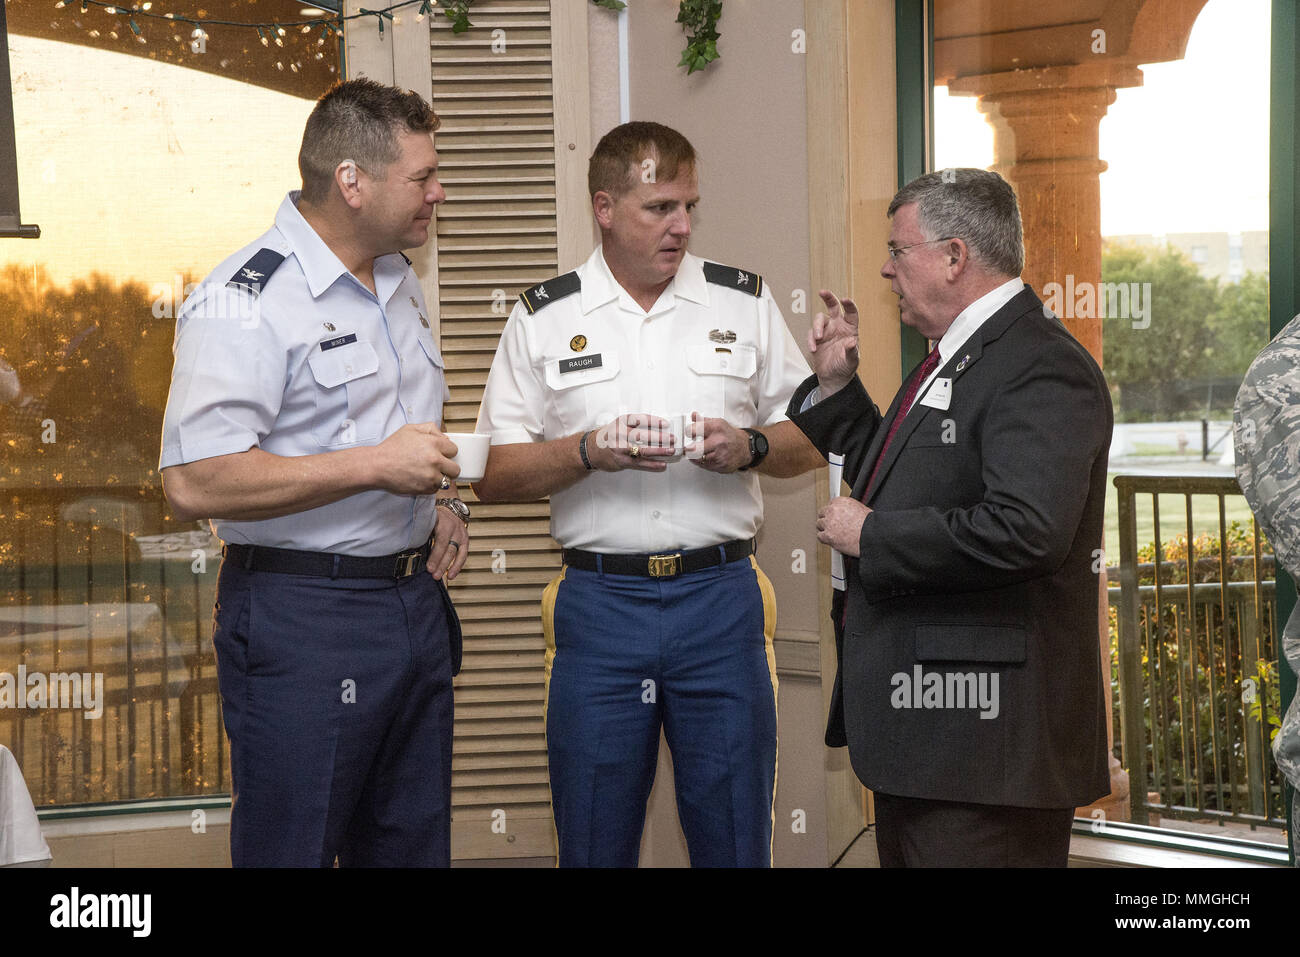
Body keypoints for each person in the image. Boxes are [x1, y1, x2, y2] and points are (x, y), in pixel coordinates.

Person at [473, 121, 823, 867]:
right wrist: (588, 451)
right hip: (600, 610)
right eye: (659, 207)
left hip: (721, 600)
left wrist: (749, 445)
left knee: (734, 839)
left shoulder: (744, 301)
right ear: (604, 206)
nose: (682, 225)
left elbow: (816, 436)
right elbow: (494, 473)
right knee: (595, 839)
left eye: (689, 205)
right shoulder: (543, 317)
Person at [158, 79, 469, 867]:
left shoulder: (402, 282)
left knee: (411, 847)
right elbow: (194, 479)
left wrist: (444, 502)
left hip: (412, 606)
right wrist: (375, 467)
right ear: (352, 182)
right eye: (422, 176)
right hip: (303, 617)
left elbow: (406, 439)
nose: (439, 191)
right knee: (293, 847)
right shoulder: (244, 296)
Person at [790, 168, 1111, 867]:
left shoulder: (1038, 365)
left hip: (987, 749)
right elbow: (903, 475)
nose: (885, 267)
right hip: (931, 744)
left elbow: (1025, 530)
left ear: (955, 256)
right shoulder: (954, 354)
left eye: (898, 249)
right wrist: (839, 388)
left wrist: (870, 535)